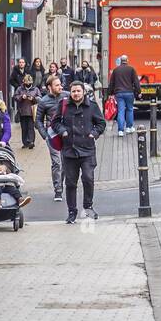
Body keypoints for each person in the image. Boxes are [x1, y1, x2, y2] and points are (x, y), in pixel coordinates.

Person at [51, 81, 106, 224]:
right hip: (69, 150)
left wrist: (94, 133)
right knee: (70, 183)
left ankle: (88, 207)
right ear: (70, 92)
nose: (76, 94)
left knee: (88, 179)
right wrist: (62, 131)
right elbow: (55, 122)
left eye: (78, 91)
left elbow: (101, 123)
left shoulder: (92, 106)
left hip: (87, 149)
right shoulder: (63, 105)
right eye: (73, 91)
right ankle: (71, 212)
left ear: (83, 92)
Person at [35, 75, 66, 201]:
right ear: (49, 87)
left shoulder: (66, 96)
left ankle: (62, 184)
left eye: (60, 84)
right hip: (52, 134)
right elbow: (38, 120)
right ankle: (58, 190)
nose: (60, 87)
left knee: (65, 162)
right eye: (57, 85)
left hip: (66, 133)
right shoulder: (43, 101)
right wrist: (45, 135)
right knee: (56, 162)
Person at [109, 54, 141, 135]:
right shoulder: (131, 69)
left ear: (120, 61)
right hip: (129, 93)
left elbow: (112, 83)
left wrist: (110, 93)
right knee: (130, 109)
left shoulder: (116, 70)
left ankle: (120, 131)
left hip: (119, 93)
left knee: (121, 111)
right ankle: (129, 128)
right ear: (127, 60)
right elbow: (136, 82)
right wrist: (139, 92)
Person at [13, 75, 41, 148]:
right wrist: (21, 97)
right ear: (24, 81)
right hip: (22, 111)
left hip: (32, 111)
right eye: (26, 81)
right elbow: (15, 97)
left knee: (31, 127)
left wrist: (33, 98)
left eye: (29, 82)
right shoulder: (20, 89)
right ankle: (25, 142)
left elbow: (40, 98)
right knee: (24, 128)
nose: (28, 83)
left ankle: (31, 141)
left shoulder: (35, 89)